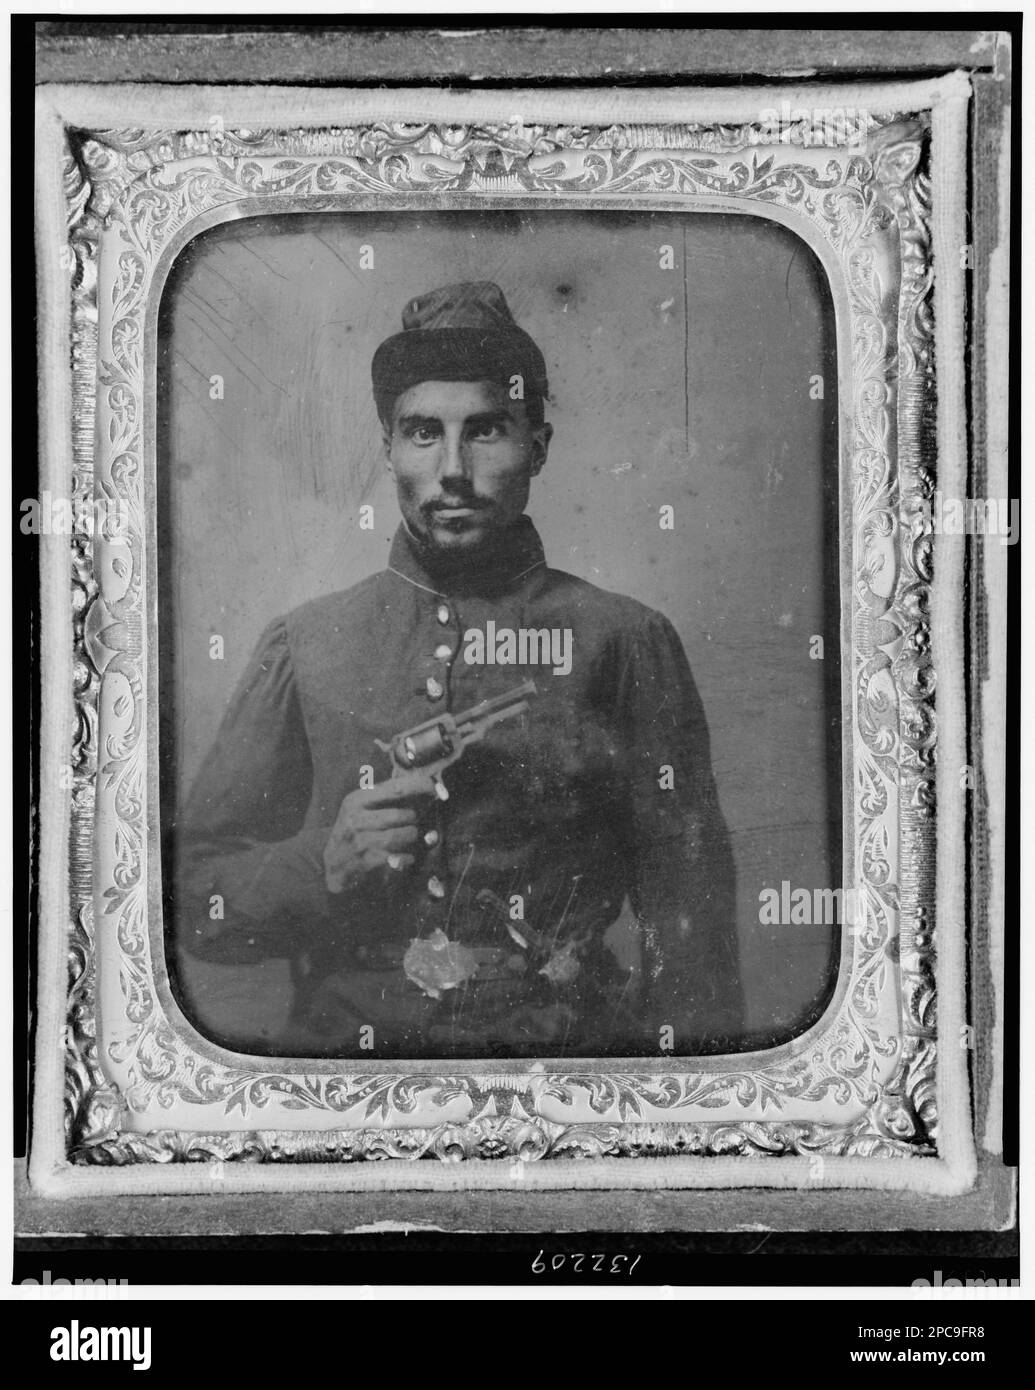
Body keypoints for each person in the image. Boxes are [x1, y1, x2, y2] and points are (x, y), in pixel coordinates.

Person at [169, 281, 741, 1058]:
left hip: (564, 1063)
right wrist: (320, 867)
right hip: (346, 1071)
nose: (452, 470)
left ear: (537, 445)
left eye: (486, 431)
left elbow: (690, 923)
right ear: (387, 449)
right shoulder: (303, 644)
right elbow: (193, 908)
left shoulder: (622, 640)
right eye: (421, 434)